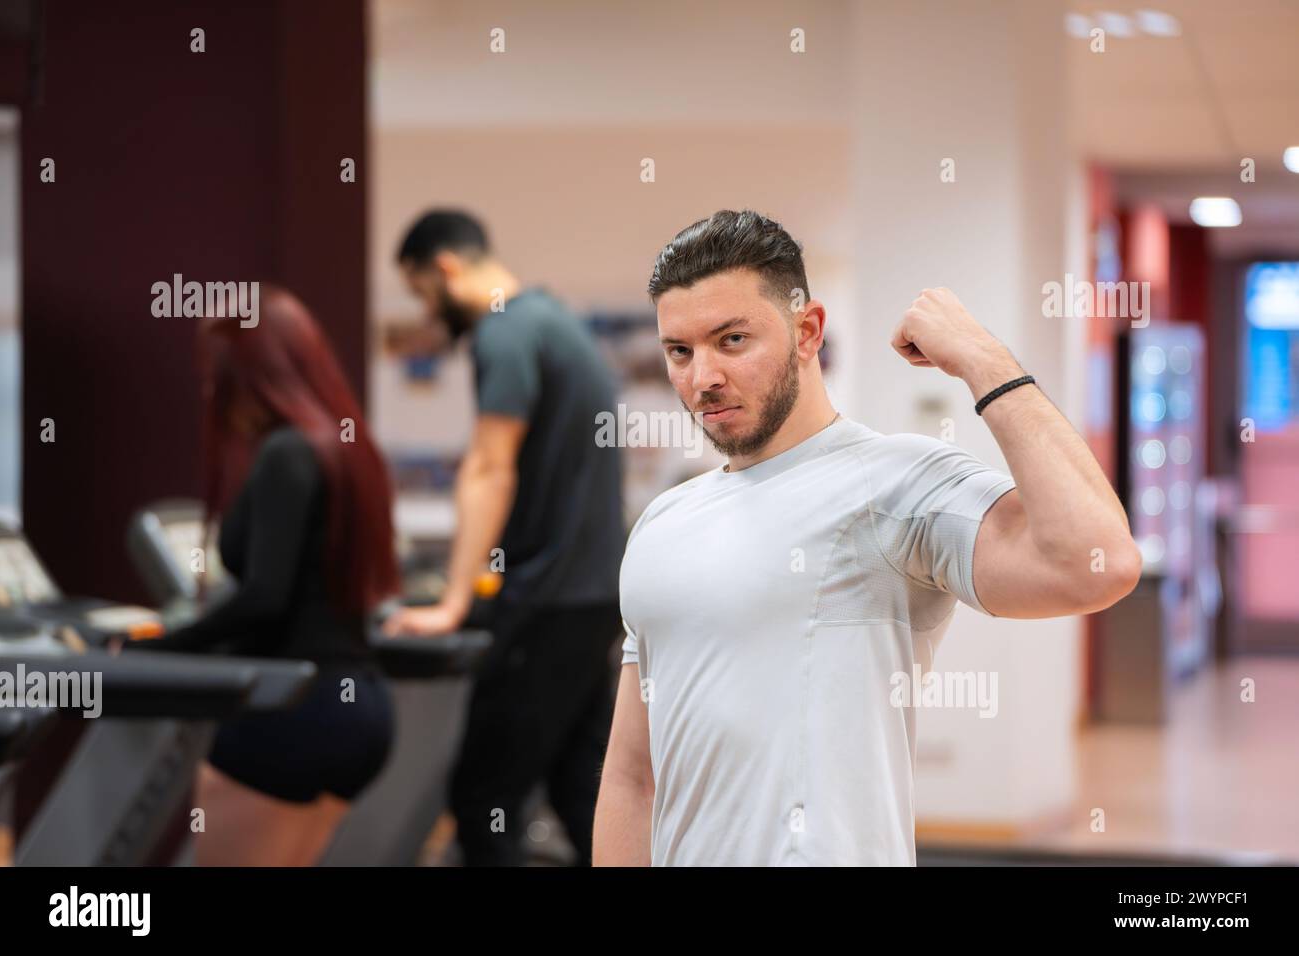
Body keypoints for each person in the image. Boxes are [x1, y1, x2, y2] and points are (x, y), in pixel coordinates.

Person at [593, 209, 1142, 866]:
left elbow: (1095, 565)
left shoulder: (896, 480)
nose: (701, 378)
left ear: (808, 332)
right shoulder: (663, 524)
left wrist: (983, 359)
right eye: (680, 351)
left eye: (732, 340)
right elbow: (633, 777)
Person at [126, 286, 400, 866]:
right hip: (359, 711)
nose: (211, 389)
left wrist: (157, 649)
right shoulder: (348, 450)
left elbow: (262, 600)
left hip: (291, 714)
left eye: (216, 373)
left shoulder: (286, 454)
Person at [384, 210, 625, 866]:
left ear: (446, 268)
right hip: (593, 597)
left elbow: (489, 466)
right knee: (584, 796)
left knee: (483, 800)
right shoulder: (557, 323)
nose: (429, 314)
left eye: (421, 292)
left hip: (547, 602)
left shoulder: (505, 332)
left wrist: (454, 601)